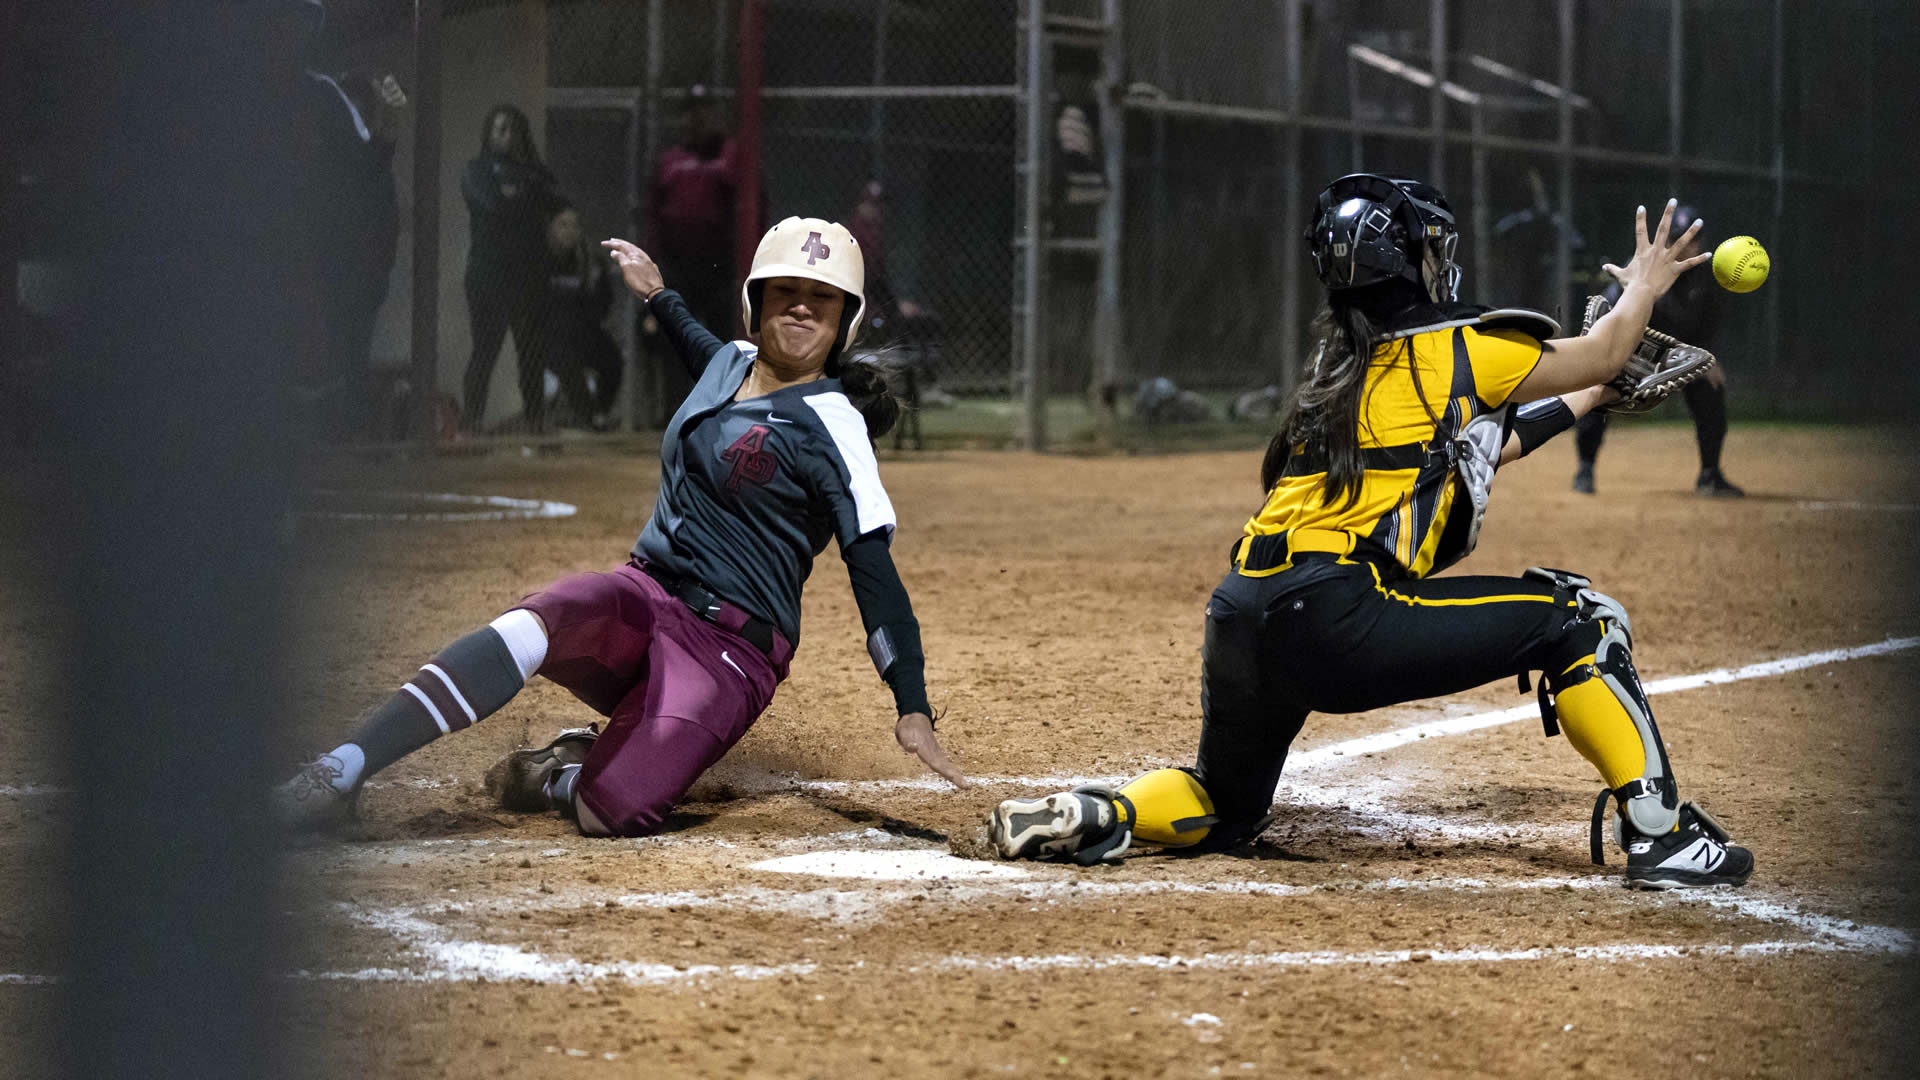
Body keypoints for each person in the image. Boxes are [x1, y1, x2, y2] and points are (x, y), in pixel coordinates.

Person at [988, 178, 1753, 890]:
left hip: (1242, 614)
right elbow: (1611, 351)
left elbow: (1482, 445)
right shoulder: (1463, 345)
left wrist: (1588, 396)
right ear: (1410, 265)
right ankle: (1662, 834)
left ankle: (1105, 812)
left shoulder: (1338, 371)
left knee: (1223, 805)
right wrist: (1644, 288)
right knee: (1583, 619)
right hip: (1337, 616)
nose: (1439, 262)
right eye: (1429, 249)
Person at [276, 216, 966, 836]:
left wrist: (912, 703)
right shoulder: (731, 364)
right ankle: (343, 767)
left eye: (821, 298)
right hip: (644, 597)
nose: (801, 307)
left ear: (846, 318)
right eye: (785, 290)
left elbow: (872, 568)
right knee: (530, 625)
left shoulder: (835, 428)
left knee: (610, 811)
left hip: (729, 653)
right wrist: (655, 293)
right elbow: (700, 348)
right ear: (758, 300)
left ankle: (564, 772)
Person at [1572, 204, 1742, 497]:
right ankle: (1585, 469)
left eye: (1695, 239)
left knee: (1711, 388)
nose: (1689, 245)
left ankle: (1710, 475)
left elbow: (1708, 327)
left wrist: (1709, 358)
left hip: (1679, 354)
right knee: (1597, 393)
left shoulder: (1708, 279)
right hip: (1631, 352)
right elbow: (1612, 315)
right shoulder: (1647, 270)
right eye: (1681, 238)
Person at [638, 85, 741, 424]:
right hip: (678, 264)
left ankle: (721, 411)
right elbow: (654, 214)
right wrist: (653, 262)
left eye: (705, 110)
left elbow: (751, 207)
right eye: (691, 111)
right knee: (675, 338)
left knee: (720, 340)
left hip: (718, 265)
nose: (697, 118)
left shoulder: (730, 154)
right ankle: (674, 413)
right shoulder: (670, 159)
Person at [461, 104, 556, 434]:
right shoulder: (477, 170)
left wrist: (521, 191)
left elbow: (552, 197)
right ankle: (471, 424)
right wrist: (522, 198)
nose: (507, 135)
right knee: (485, 351)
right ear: (489, 133)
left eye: (513, 129)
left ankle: (535, 425)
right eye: (500, 128)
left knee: (530, 355)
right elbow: (492, 206)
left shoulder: (534, 172)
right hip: (488, 276)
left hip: (527, 277)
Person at [539, 200, 623, 430]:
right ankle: (587, 418)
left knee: (613, 361)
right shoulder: (539, 260)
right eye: (563, 225)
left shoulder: (588, 262)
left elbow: (604, 299)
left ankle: (600, 414)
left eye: (574, 225)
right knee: (569, 366)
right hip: (549, 337)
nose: (570, 231)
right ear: (550, 228)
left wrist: (589, 318)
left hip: (583, 331)